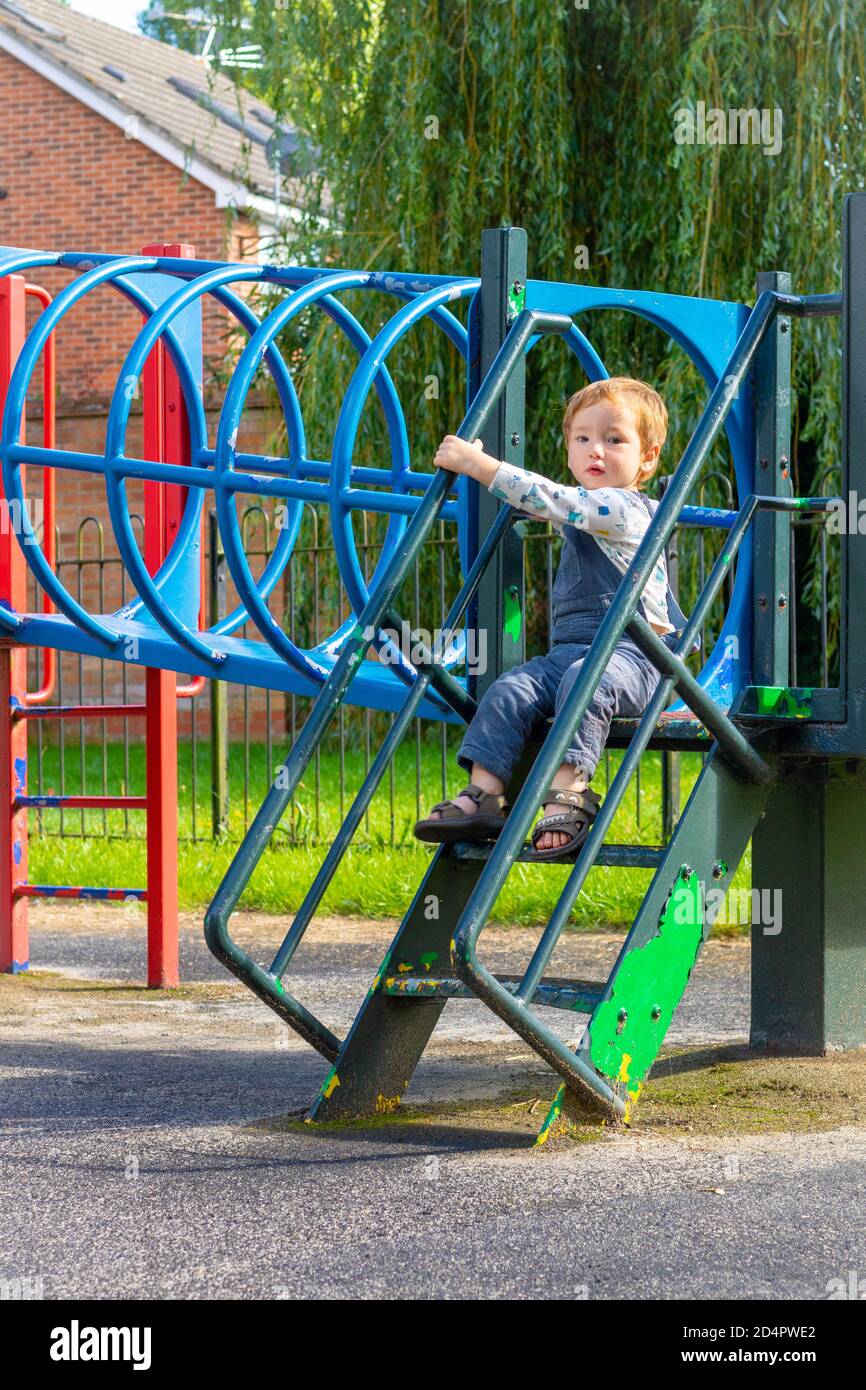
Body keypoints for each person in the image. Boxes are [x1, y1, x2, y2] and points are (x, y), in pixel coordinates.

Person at [413, 375, 693, 861]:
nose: (595, 451)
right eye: (582, 438)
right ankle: (485, 795)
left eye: (614, 439)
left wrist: (479, 465)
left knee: (585, 680)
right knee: (509, 688)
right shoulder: (588, 507)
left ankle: (570, 791)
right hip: (571, 652)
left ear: (647, 458)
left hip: (637, 656)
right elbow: (549, 501)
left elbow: (549, 498)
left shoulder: (622, 508)